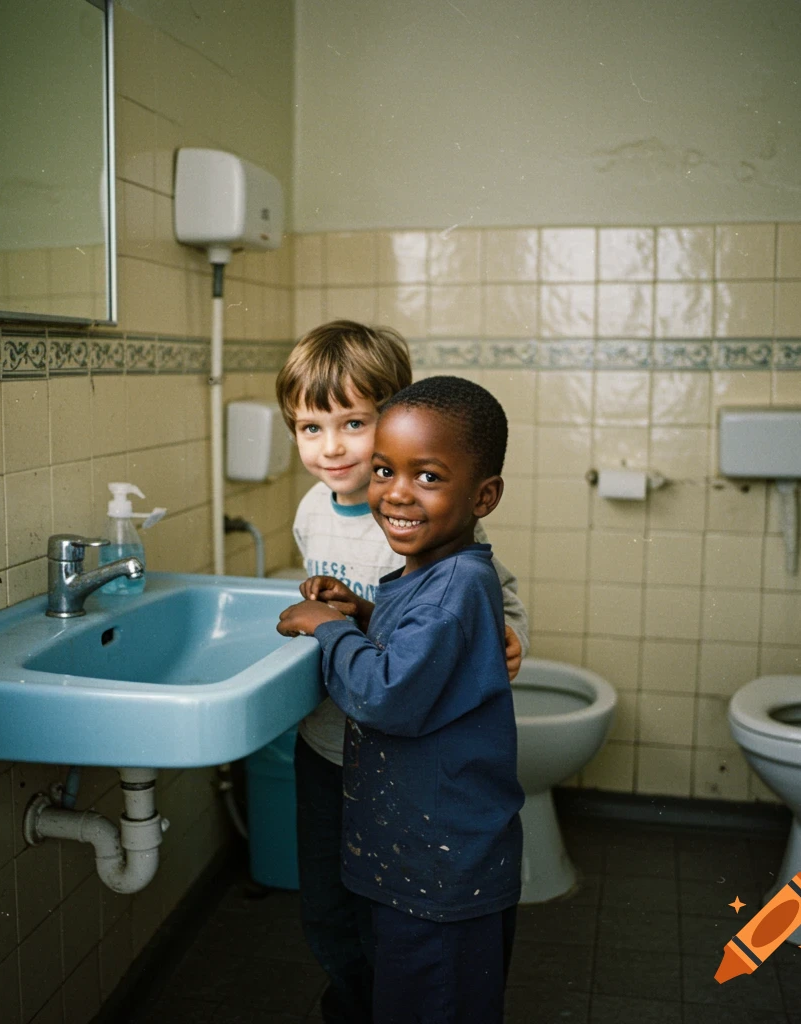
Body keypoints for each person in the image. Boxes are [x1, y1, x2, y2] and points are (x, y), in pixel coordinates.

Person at [274, 322, 527, 1024]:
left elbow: (478, 605)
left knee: (402, 938)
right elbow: (404, 616)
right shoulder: (314, 513)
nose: (332, 447)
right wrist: (351, 609)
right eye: (311, 428)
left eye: (353, 424)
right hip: (336, 749)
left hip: (405, 767)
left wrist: (509, 640)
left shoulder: (431, 533)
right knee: (336, 911)